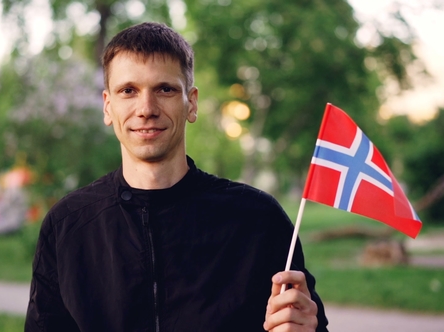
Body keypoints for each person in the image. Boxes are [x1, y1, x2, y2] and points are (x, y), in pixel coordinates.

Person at [25, 22, 328, 332]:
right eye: (128, 91)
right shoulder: (67, 225)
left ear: (191, 103)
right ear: (107, 106)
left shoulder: (260, 221)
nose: (146, 108)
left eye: (165, 89)